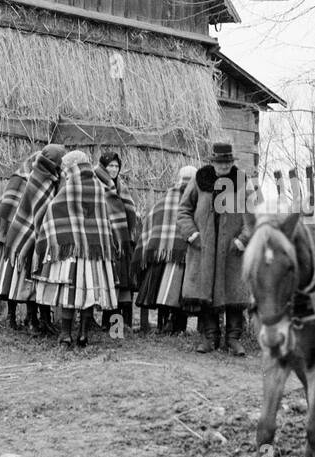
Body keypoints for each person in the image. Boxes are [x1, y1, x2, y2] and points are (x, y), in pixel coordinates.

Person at [177, 141, 255, 355]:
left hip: (233, 250)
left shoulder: (242, 181)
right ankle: (210, 338)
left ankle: (233, 339)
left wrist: (243, 239)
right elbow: (184, 210)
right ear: (213, 162)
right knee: (206, 290)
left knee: (235, 292)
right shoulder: (200, 179)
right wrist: (192, 234)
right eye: (220, 162)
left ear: (232, 161)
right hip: (204, 248)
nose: (223, 166)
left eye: (227, 161)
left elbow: (252, 215)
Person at [33, 149, 116, 347]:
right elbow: (104, 217)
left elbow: (54, 210)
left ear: (73, 166)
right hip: (94, 252)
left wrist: (48, 235)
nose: (64, 172)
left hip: (72, 251)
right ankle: (83, 334)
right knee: (89, 293)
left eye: (66, 168)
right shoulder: (98, 185)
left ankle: (65, 334)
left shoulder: (72, 186)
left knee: (70, 291)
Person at [2, 143, 67, 333]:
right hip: (28, 236)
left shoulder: (54, 179)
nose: (61, 165)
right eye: (59, 160)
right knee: (26, 280)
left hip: (43, 236)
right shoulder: (36, 179)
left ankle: (43, 319)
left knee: (39, 278)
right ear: (52, 162)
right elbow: (34, 210)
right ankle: (30, 320)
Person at [136, 164, 197, 335]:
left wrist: (157, 245)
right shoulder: (195, 199)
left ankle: (163, 324)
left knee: (164, 290)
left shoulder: (166, 198)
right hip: (185, 254)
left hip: (164, 254)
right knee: (180, 290)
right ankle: (178, 325)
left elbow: (151, 221)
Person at [0, 149, 41, 332]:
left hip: (29, 238)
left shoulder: (38, 183)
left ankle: (31, 317)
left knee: (29, 278)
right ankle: (11, 317)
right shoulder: (18, 180)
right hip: (11, 239)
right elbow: (5, 208)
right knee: (10, 278)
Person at [97, 151, 139, 334]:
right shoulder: (99, 185)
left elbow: (130, 210)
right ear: (104, 167)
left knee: (124, 281)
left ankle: (123, 325)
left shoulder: (121, 186)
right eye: (110, 166)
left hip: (123, 240)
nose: (113, 169)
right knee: (110, 281)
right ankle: (109, 322)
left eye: (116, 166)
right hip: (107, 241)